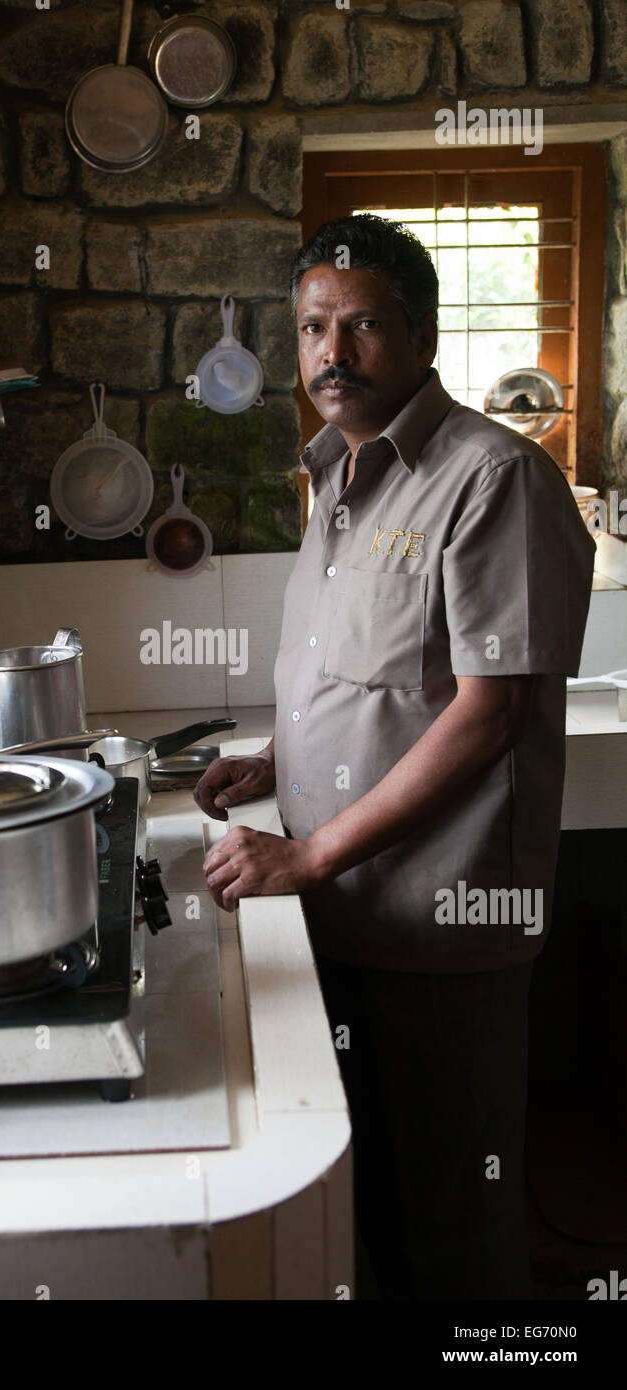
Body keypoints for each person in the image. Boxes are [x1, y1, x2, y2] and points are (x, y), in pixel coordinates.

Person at [195, 213, 596, 1300]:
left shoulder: (490, 478)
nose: (332, 353)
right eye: (313, 327)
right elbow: (376, 673)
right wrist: (277, 760)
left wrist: (310, 851)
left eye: (361, 325)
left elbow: (487, 712)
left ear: (418, 336)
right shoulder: (337, 475)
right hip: (349, 912)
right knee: (374, 1201)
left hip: (439, 928)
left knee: (454, 1223)